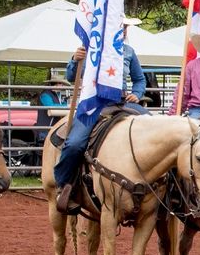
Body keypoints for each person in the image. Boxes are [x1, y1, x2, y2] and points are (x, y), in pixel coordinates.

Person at [50, 16, 147, 194]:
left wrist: (137, 94)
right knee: (75, 144)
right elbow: (71, 77)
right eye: (120, 27)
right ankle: (64, 186)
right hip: (93, 105)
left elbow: (140, 79)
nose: (123, 30)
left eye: (125, 27)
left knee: (154, 130)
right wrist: (74, 60)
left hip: (123, 103)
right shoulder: (89, 49)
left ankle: (162, 189)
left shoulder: (129, 52)